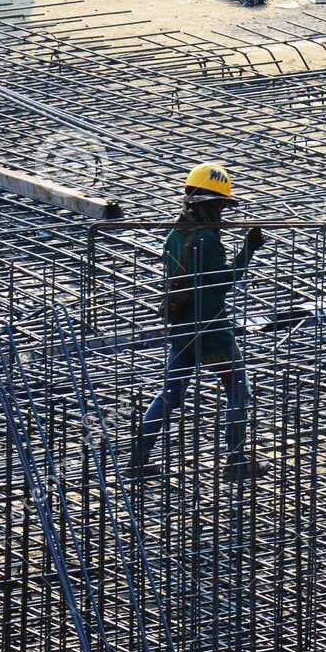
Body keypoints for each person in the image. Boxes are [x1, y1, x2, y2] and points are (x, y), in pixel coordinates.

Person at [129, 164, 265, 483]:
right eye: (218, 205)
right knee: (237, 392)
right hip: (212, 334)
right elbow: (227, 280)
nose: (221, 212)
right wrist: (248, 249)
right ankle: (235, 461)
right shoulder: (207, 239)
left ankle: (138, 458)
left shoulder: (174, 235)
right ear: (205, 203)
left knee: (169, 395)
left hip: (181, 333)